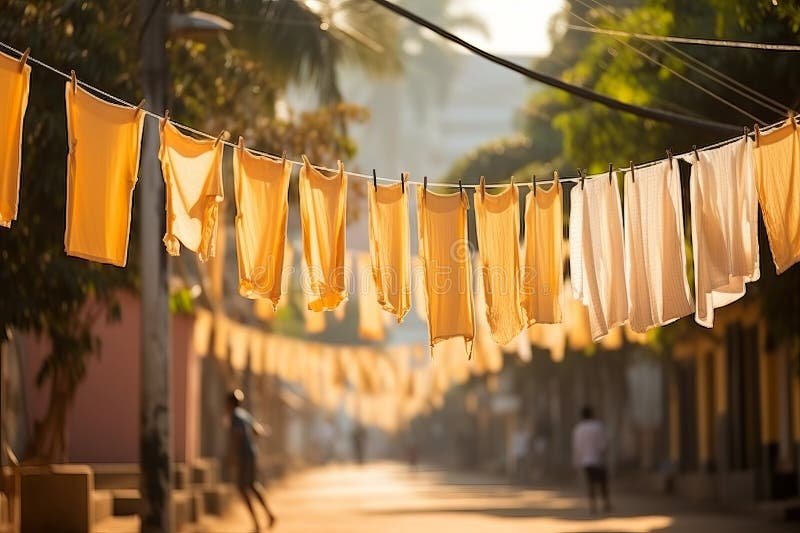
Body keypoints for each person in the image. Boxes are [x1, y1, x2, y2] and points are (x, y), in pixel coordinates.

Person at [225, 389, 276, 531]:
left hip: (243, 456)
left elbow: (237, 436)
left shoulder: (235, 416)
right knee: (252, 485)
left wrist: (231, 456)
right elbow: (257, 431)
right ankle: (268, 514)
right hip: (252, 454)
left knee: (242, 488)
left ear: (229, 403)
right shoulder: (245, 415)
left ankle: (256, 522)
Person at [571, 405, 612, 513]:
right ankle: (605, 503)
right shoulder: (597, 426)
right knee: (603, 482)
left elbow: (577, 446)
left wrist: (577, 461)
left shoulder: (578, 428)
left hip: (585, 460)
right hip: (598, 459)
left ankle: (592, 505)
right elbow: (603, 444)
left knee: (590, 483)